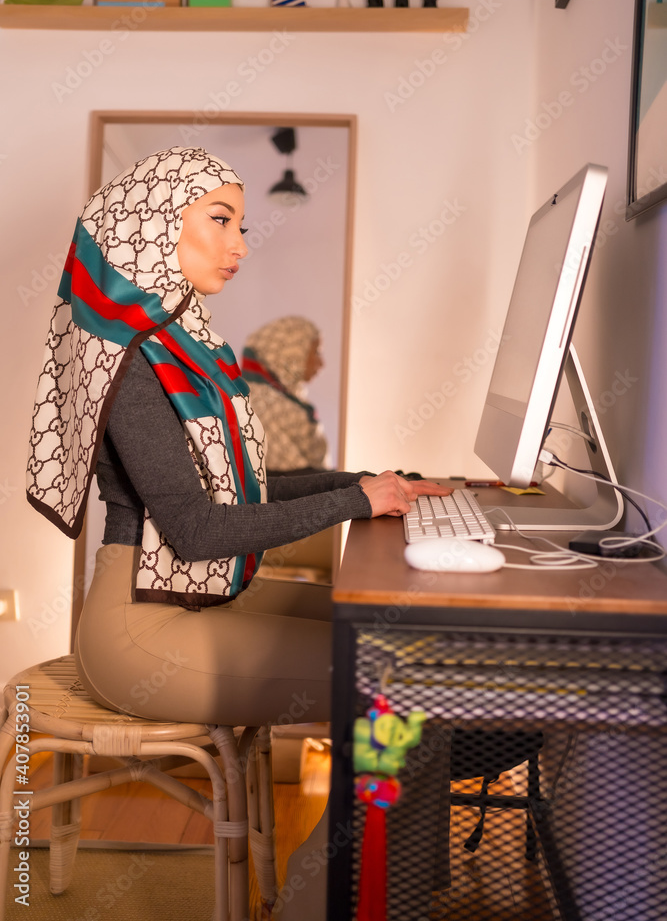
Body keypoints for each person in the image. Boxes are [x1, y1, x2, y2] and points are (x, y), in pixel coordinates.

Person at [26, 146, 451, 915]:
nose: (240, 245)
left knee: (403, 642)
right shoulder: (131, 361)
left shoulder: (189, 349)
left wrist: (373, 484)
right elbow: (195, 530)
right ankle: (326, 904)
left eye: (241, 226)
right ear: (154, 225)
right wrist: (357, 502)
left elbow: (248, 489)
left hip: (197, 603)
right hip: (140, 630)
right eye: (220, 220)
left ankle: (375, 893)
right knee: (405, 694)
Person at [242, 315, 329, 474]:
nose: (322, 363)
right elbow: (301, 479)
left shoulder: (272, 397)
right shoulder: (267, 408)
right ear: (291, 352)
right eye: (316, 352)